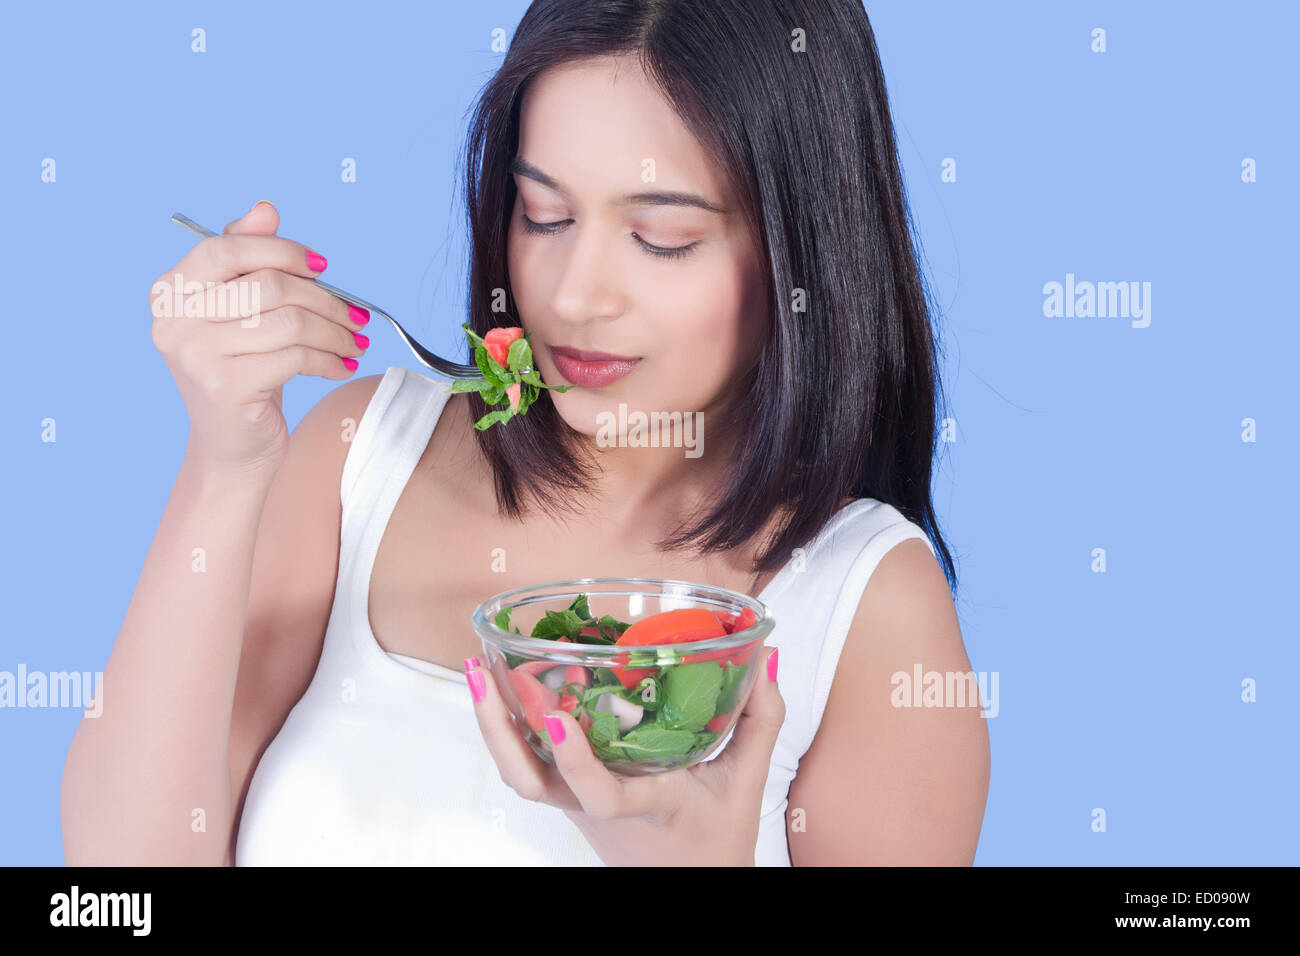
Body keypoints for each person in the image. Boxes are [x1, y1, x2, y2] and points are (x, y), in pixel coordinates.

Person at [61, 0, 988, 866]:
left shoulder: (868, 608)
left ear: (804, 248)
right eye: (544, 215)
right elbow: (120, 881)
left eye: (661, 236)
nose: (575, 297)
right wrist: (226, 463)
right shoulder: (361, 457)